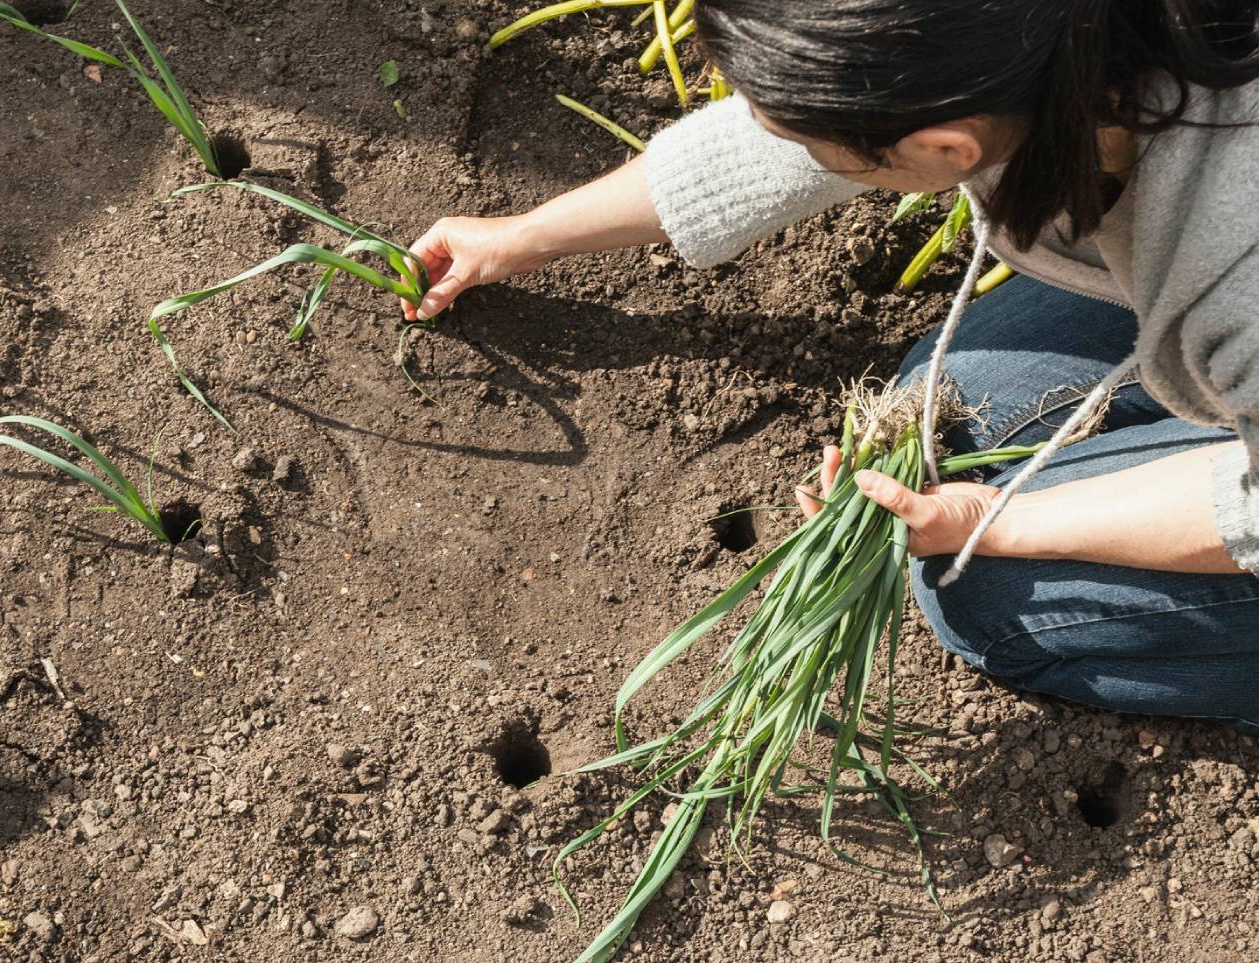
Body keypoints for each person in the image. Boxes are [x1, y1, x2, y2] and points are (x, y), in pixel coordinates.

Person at [403, 0, 1259, 732]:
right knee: (950, 408)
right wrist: (524, 235)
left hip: (1236, 299)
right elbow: (824, 117)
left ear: (949, 146)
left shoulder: (1234, 256)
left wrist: (996, 522)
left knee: (989, 595)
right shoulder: (1040, 38)